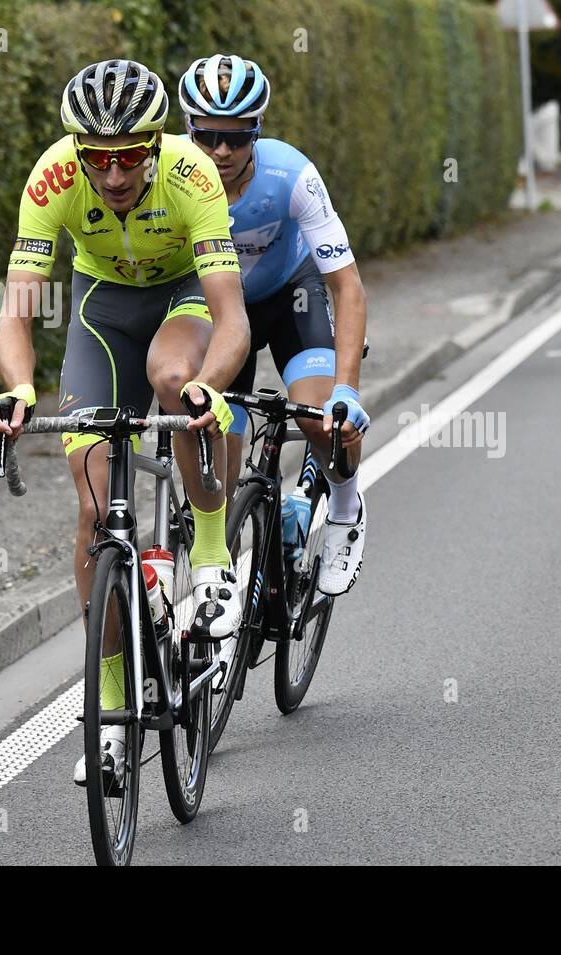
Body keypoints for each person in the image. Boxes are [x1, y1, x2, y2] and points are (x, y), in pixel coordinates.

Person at [0, 59, 251, 785]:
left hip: (181, 300)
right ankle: (106, 711)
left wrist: (208, 384)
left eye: (131, 154)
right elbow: (16, 311)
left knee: (172, 380)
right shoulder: (52, 178)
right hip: (102, 312)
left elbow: (233, 319)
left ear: (157, 145)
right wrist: (17, 389)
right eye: (97, 157)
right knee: (92, 498)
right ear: (77, 153)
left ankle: (211, 549)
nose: (113, 173)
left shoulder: (192, 174)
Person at [178, 53, 369, 597]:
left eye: (236, 139)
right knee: (220, 460)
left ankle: (347, 508)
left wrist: (347, 389)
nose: (220, 152)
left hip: (292, 297)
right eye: (208, 135)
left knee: (321, 421)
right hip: (222, 313)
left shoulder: (292, 175)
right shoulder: (173, 178)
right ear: (189, 129)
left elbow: (347, 286)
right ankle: (224, 595)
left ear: (256, 132)